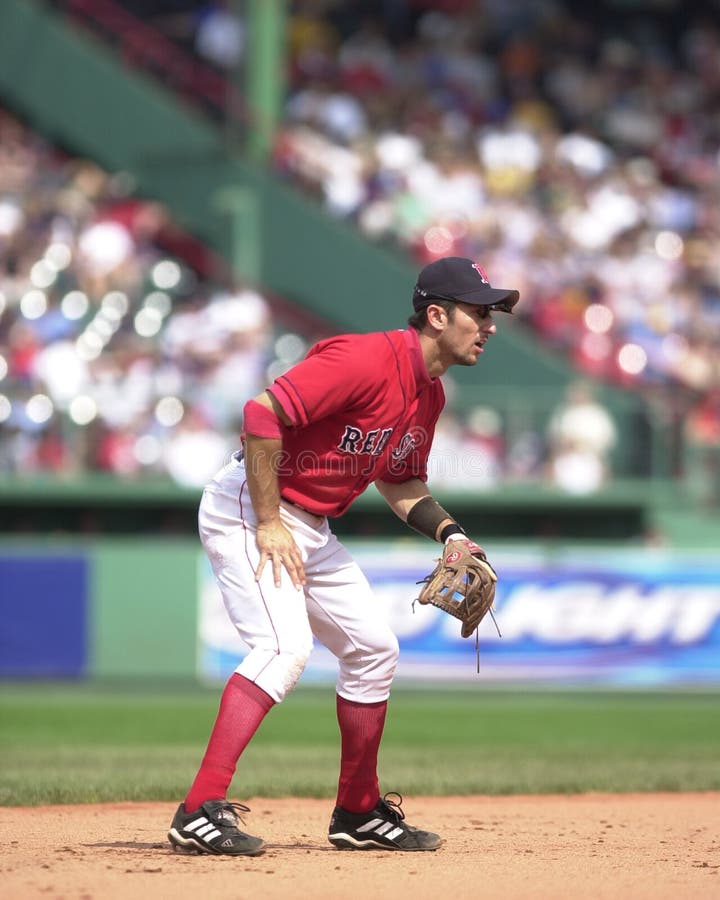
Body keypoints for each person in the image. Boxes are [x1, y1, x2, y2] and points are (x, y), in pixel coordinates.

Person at [167, 256, 520, 856]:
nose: (489, 326)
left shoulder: (428, 396)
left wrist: (452, 534)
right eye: (479, 312)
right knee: (283, 648)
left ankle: (357, 812)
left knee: (373, 650)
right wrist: (271, 520)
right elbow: (260, 414)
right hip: (253, 506)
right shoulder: (364, 358)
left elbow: (402, 481)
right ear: (437, 315)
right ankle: (198, 808)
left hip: (310, 524)